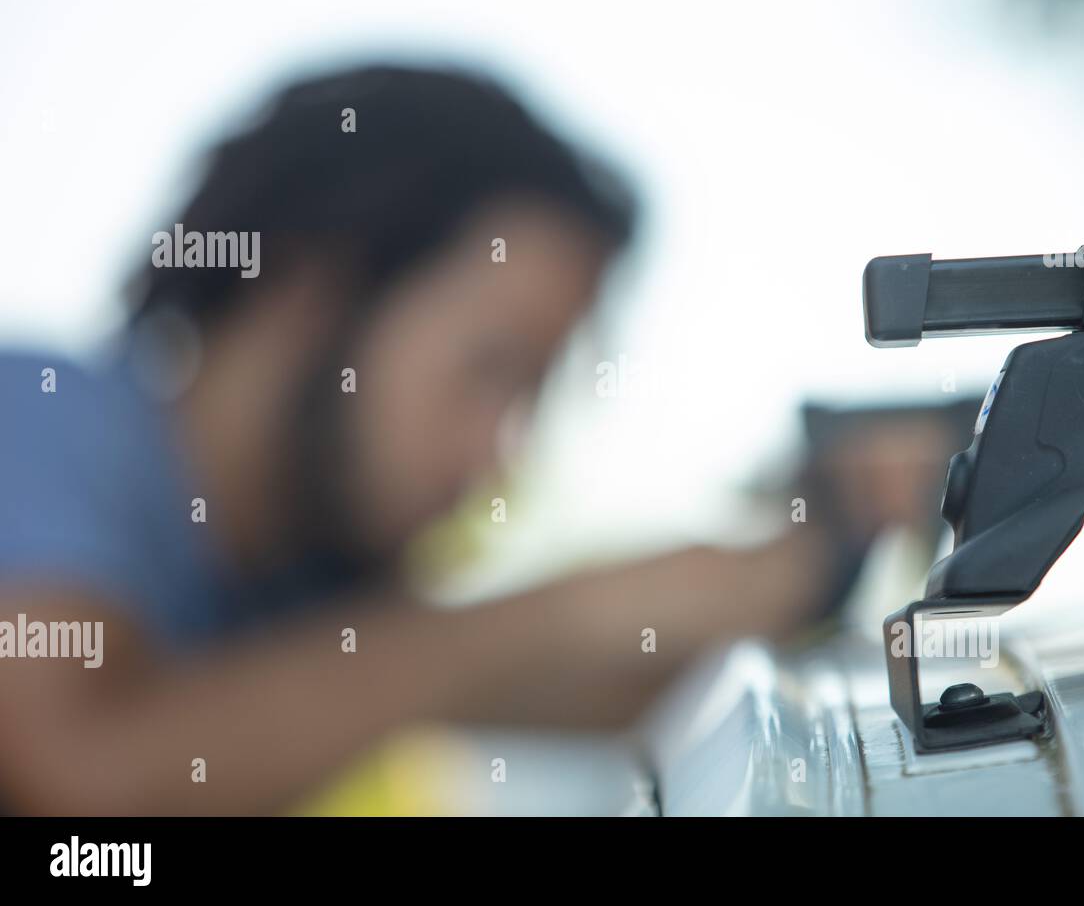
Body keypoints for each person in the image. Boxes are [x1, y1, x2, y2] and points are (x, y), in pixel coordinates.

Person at [0, 65, 939, 814]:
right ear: (311, 292)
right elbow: (78, 776)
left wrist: (822, 541)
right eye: (490, 368)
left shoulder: (296, 590)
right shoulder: (42, 413)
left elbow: (598, 694)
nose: (498, 455)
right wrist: (580, 607)